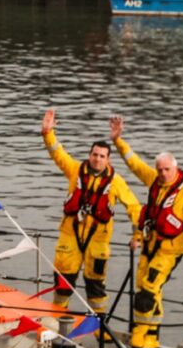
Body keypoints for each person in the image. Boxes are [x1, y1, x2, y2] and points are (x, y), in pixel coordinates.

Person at [109, 115, 183, 348]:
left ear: (175, 168)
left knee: (149, 290)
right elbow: (134, 164)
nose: (162, 173)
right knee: (143, 291)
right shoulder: (155, 181)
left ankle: (141, 339)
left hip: (170, 250)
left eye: (166, 169)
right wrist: (118, 141)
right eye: (159, 169)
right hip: (149, 245)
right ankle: (149, 339)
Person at [41, 110, 138, 317]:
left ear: (108, 160)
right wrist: (47, 132)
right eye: (94, 155)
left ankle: (100, 329)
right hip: (70, 238)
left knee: (96, 289)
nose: (97, 159)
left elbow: (134, 208)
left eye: (102, 156)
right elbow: (57, 153)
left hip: (98, 242)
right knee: (62, 286)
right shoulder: (75, 170)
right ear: (89, 155)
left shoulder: (116, 182)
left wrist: (137, 236)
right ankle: (57, 325)